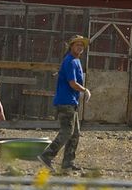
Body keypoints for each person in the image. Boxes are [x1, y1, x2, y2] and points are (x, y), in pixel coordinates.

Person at [37, 34, 91, 173]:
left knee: (75, 134)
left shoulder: (76, 61)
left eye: (82, 45)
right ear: (71, 46)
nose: (80, 47)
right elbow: (72, 83)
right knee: (67, 132)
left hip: (71, 102)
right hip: (65, 101)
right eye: (77, 45)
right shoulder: (70, 61)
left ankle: (67, 164)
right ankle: (46, 155)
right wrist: (85, 90)